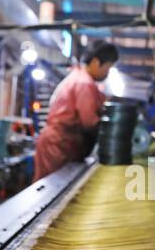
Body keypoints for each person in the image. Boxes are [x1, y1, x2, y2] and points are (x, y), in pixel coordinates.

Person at [33, 41, 117, 179]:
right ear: (96, 62)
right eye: (108, 68)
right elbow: (90, 123)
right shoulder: (84, 83)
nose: (107, 73)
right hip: (58, 146)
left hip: (59, 143)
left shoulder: (79, 77)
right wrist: (115, 132)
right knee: (52, 187)